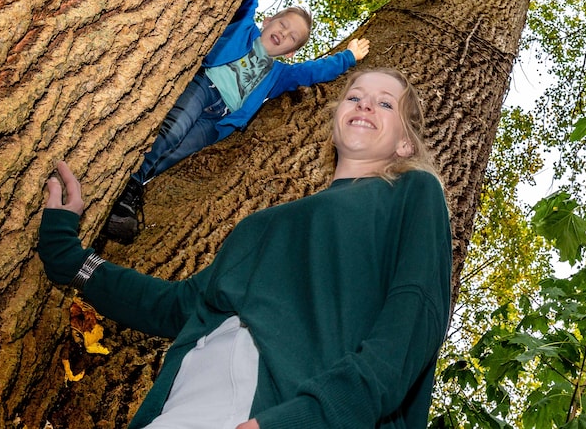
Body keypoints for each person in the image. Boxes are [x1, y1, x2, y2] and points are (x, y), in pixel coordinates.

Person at [38, 68, 452, 429]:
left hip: (289, 411)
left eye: (384, 104)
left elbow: (415, 315)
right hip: (182, 408)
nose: (364, 106)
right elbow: (177, 307)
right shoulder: (265, 223)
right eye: (355, 97)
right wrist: (71, 258)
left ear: (406, 144)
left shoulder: (411, 191)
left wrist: (311, 418)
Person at [104, 0, 371, 243]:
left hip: (220, 120)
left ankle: (129, 193)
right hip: (205, 87)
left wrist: (349, 57)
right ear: (267, 21)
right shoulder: (243, 28)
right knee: (172, 130)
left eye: (293, 38)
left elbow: (314, 72)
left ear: (291, 52)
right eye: (282, 24)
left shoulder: (280, 74)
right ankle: (131, 182)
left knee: (178, 152)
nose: (284, 33)